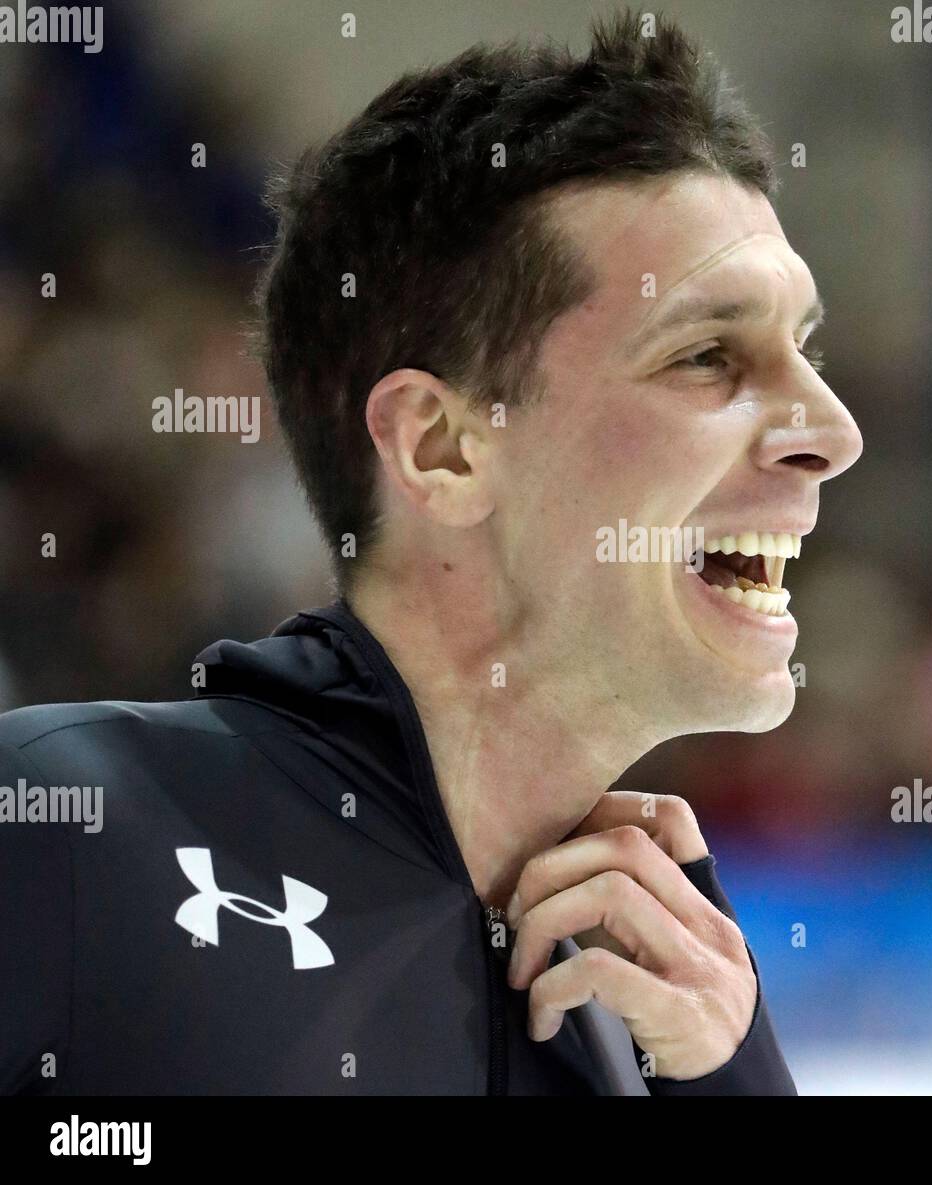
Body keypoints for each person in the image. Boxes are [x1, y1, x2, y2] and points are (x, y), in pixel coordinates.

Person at [0, 8, 861, 1094]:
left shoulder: (668, 1013)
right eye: (705, 355)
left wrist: (734, 1081)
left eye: (806, 349)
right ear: (443, 448)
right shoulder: (63, 827)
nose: (832, 432)